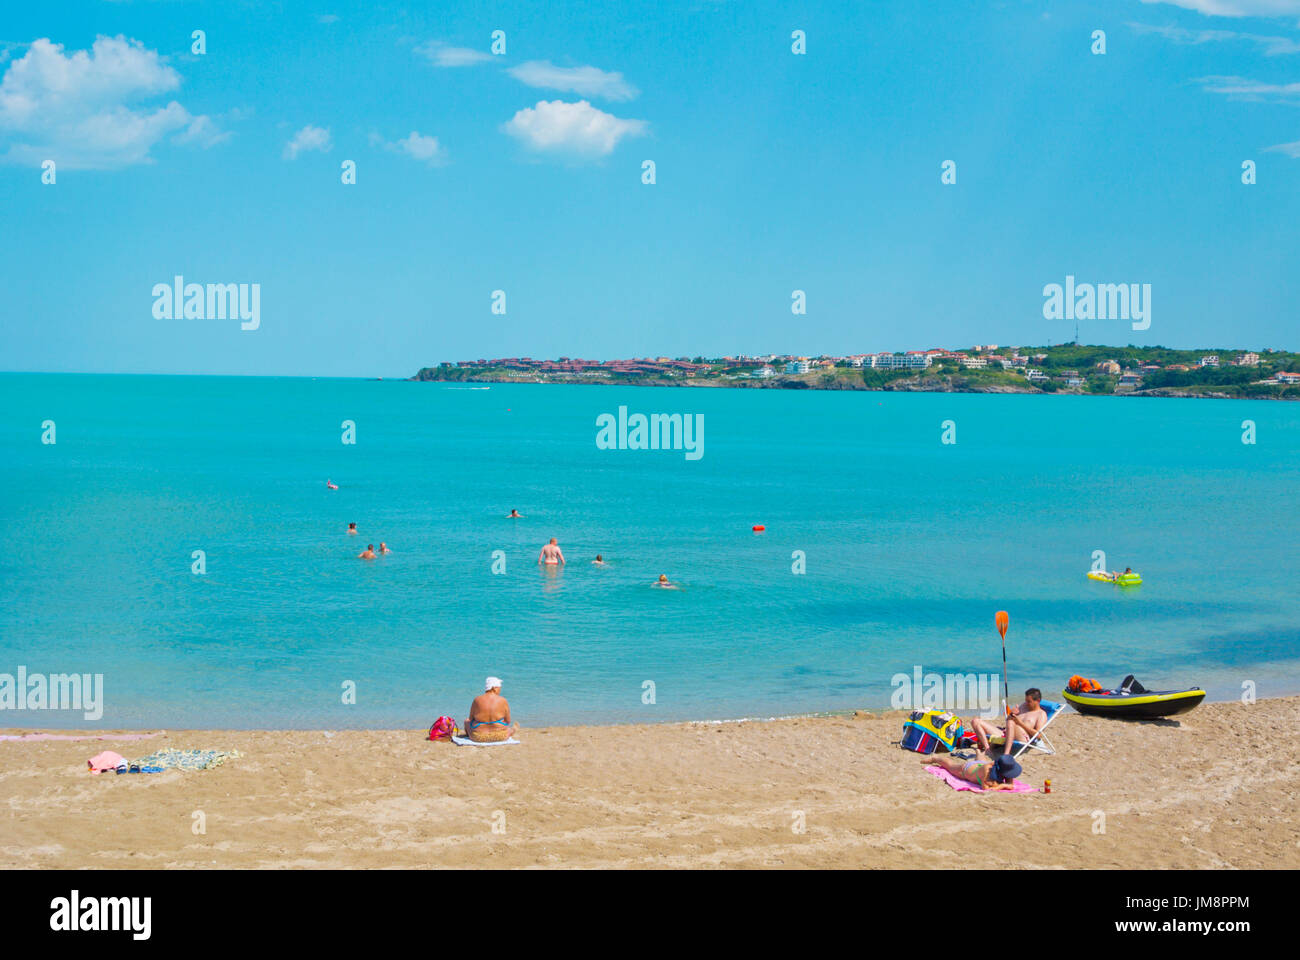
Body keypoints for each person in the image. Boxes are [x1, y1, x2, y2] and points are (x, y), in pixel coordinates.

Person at [969, 688, 1047, 753]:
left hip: (1022, 738)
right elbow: (1008, 720)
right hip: (1006, 733)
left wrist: (1018, 722)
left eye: (1029, 701)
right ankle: (988, 749)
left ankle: (1006, 754)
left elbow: (1038, 735)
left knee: (1011, 722)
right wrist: (1011, 713)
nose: (1026, 703)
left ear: (1038, 700)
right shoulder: (1024, 706)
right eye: (1026, 700)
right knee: (975, 721)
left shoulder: (1041, 714)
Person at [925, 751, 1021, 790]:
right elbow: (985, 788)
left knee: (981, 760)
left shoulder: (1004, 766)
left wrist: (1005, 784)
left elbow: (1010, 784)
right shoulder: (987, 771)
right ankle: (936, 758)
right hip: (967, 770)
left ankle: (978, 752)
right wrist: (1003, 785)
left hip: (980, 765)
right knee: (950, 766)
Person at [464, 677, 517, 743]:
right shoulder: (503, 700)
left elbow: (470, 719)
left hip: (479, 737)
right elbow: (508, 721)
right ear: (494, 688)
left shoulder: (477, 700)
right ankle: (511, 731)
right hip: (500, 736)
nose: (500, 690)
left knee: (466, 721)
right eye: (499, 687)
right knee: (509, 728)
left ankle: (469, 735)